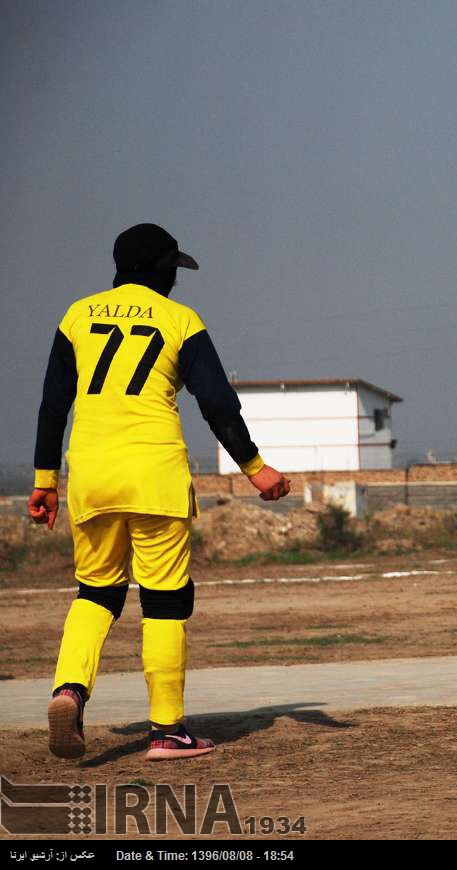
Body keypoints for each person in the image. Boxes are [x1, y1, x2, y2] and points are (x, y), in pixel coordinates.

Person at [29, 223, 291, 760]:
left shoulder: (77, 316)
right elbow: (217, 402)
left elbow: (54, 403)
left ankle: (69, 691)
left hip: (92, 477)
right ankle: (169, 731)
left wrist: (44, 481)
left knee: (95, 593)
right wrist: (256, 467)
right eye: (174, 269)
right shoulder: (179, 320)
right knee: (166, 602)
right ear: (162, 271)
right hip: (155, 477)